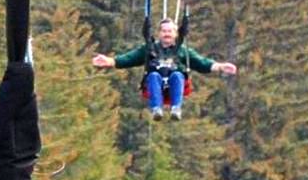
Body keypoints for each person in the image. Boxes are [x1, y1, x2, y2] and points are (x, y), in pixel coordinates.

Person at [91, 18, 237, 118]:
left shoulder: (182, 51)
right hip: (156, 85)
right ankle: (156, 109)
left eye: (170, 31)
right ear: (159, 33)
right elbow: (130, 58)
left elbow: (202, 63)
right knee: (153, 76)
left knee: (177, 75)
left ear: (175, 33)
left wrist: (221, 66)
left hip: (175, 84)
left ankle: (176, 108)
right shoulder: (150, 49)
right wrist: (110, 61)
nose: (167, 34)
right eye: (164, 31)